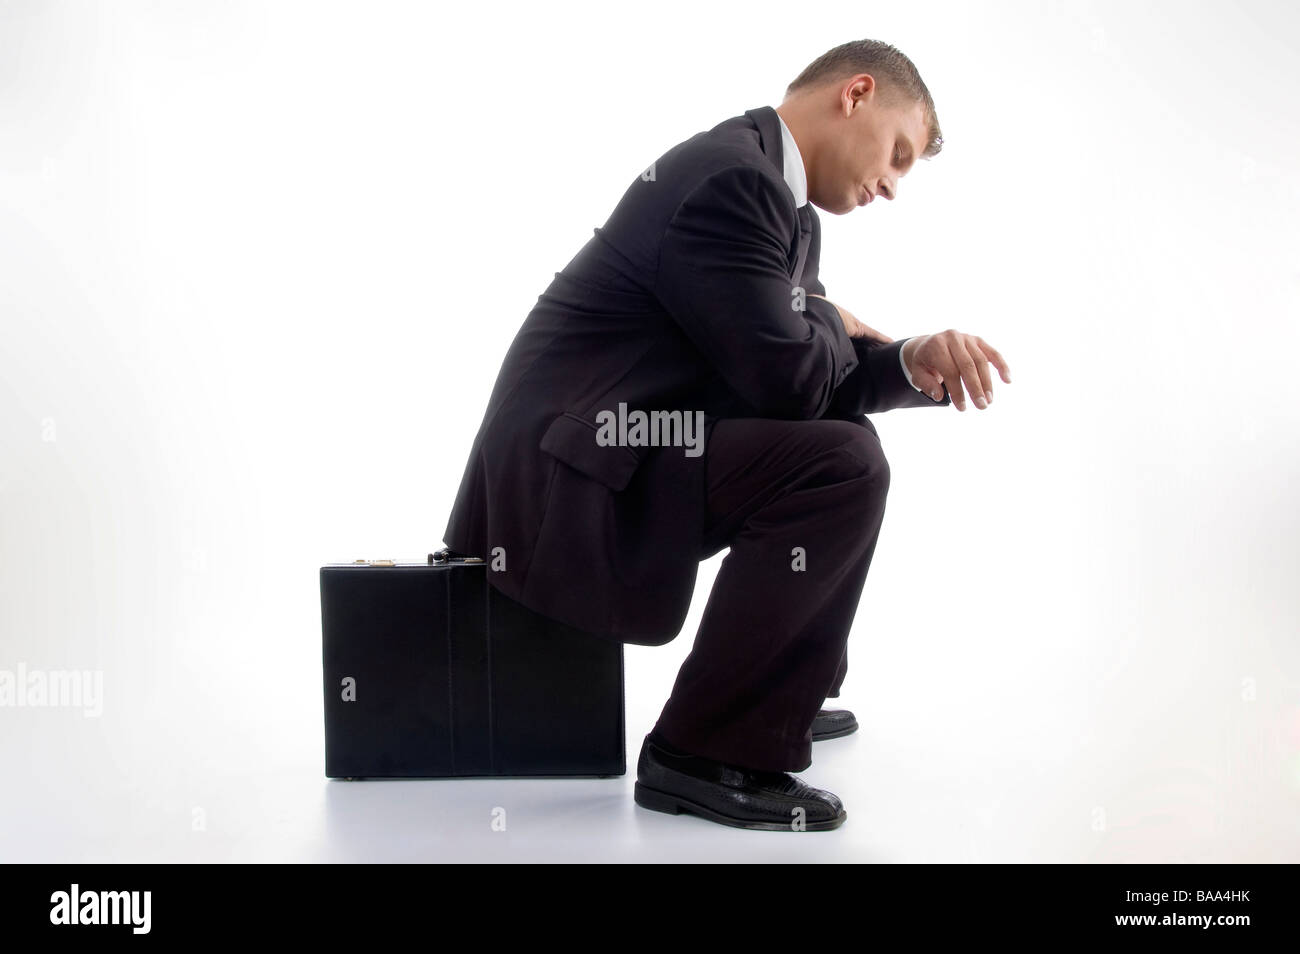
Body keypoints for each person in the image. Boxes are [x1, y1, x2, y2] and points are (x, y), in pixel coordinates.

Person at [442, 38, 1011, 831]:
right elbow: (790, 378)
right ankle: (705, 752)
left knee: (838, 449)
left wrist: (910, 359)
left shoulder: (783, 207)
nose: (891, 186)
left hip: (629, 446)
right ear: (855, 95)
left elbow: (809, 379)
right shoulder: (731, 182)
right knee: (842, 465)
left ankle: (780, 693)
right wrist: (825, 316)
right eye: (899, 154)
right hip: (568, 473)